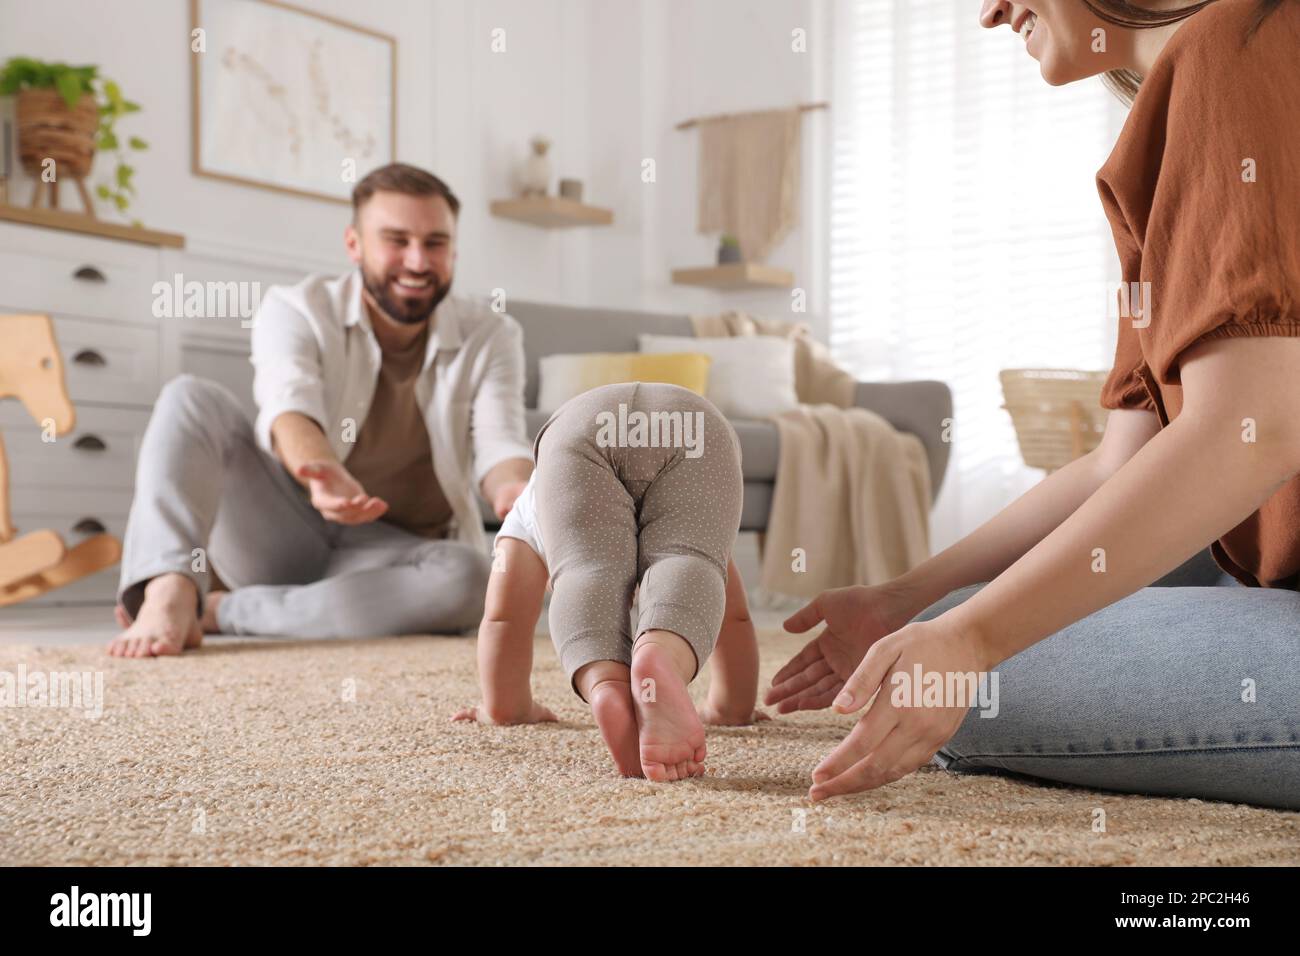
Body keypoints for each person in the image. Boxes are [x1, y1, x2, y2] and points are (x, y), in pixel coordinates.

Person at [767, 0, 1300, 810]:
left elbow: (1252, 434)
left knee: (974, 676)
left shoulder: (1235, 44)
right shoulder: (1187, 103)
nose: (988, 12)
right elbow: (1119, 464)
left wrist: (972, 643)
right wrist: (903, 600)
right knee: (937, 636)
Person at [109, 163, 533, 656]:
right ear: (354, 244)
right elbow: (288, 408)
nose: (418, 261)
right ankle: (169, 588)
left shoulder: (491, 335)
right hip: (285, 531)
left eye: (435, 243)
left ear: (453, 249)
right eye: (396, 240)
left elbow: (500, 440)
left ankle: (223, 610)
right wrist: (322, 472)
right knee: (189, 398)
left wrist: (515, 491)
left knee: (471, 578)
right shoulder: (296, 309)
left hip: (392, 558)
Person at [454, 382, 765, 781]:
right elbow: (733, 616)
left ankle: (606, 682)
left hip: (579, 430)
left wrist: (504, 708)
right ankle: (662, 655)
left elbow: (503, 619)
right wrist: (732, 707)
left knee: (585, 571)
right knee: (691, 561)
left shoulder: (530, 508)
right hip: (694, 421)